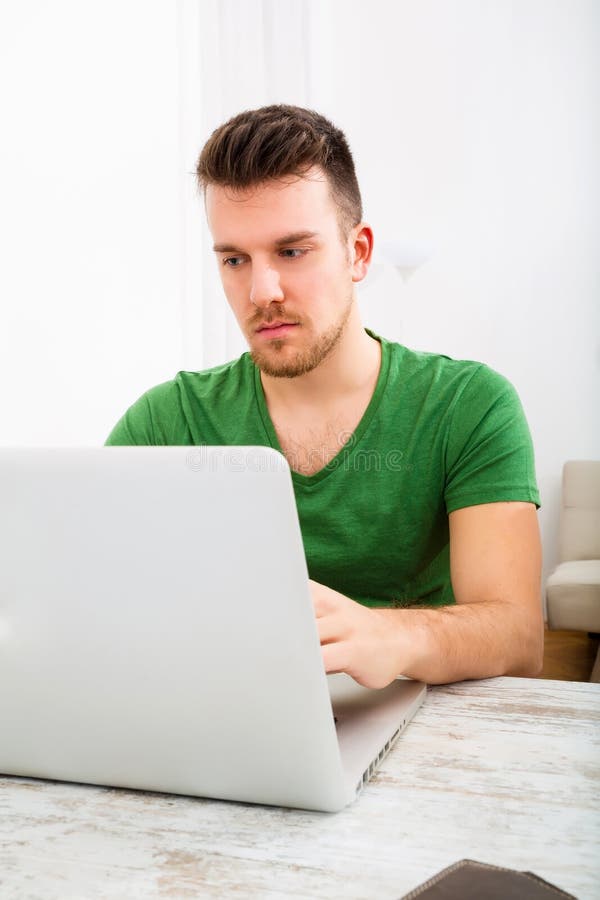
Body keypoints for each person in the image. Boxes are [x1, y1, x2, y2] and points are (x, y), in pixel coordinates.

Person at [106, 104, 543, 688]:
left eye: (292, 252)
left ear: (358, 253)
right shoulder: (166, 420)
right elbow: (92, 594)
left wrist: (394, 636)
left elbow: (518, 638)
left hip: (419, 723)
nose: (262, 291)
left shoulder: (469, 405)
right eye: (234, 259)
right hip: (226, 714)